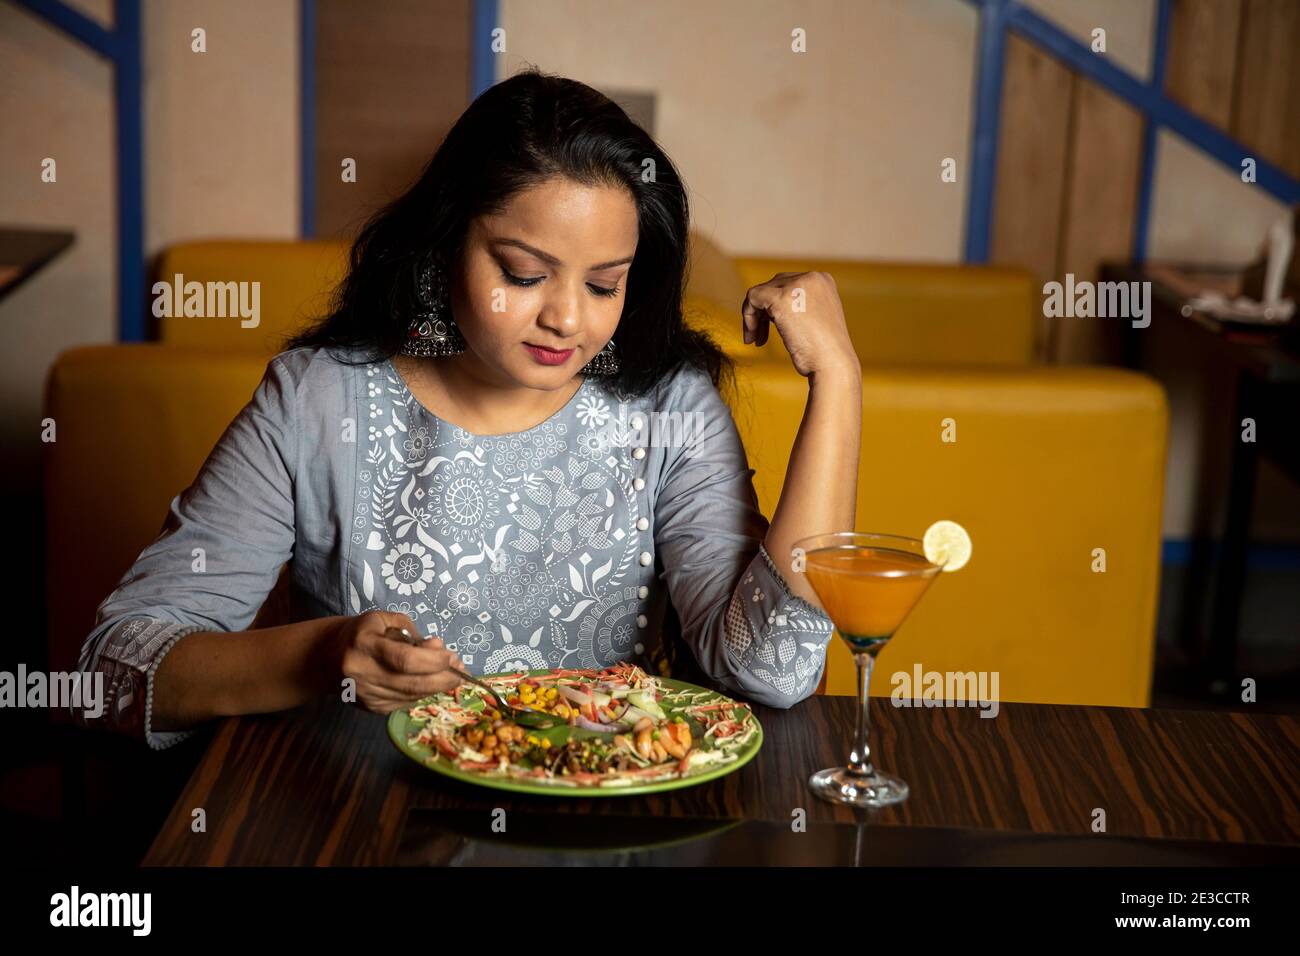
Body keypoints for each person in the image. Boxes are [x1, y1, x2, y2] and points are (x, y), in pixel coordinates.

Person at [77, 69, 863, 750]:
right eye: (524, 273)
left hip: (602, 829)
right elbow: (113, 670)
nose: (568, 319)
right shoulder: (318, 399)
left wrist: (838, 382)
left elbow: (773, 668)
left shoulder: (667, 407)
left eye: (603, 285)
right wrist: (321, 656)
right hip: (364, 825)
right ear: (445, 245)